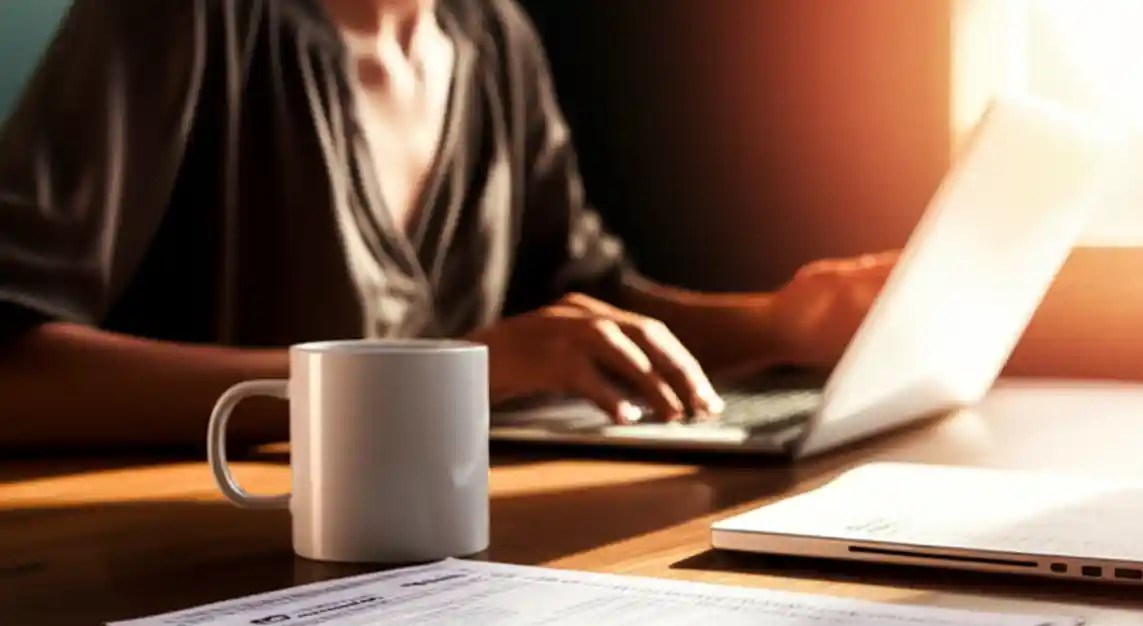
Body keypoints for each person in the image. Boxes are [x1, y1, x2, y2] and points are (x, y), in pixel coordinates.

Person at [0, 0, 895, 450]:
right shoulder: (182, 19)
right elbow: (16, 373)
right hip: (185, 572)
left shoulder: (491, 35)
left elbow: (579, 315)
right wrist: (451, 374)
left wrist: (783, 322)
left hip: (431, 571)